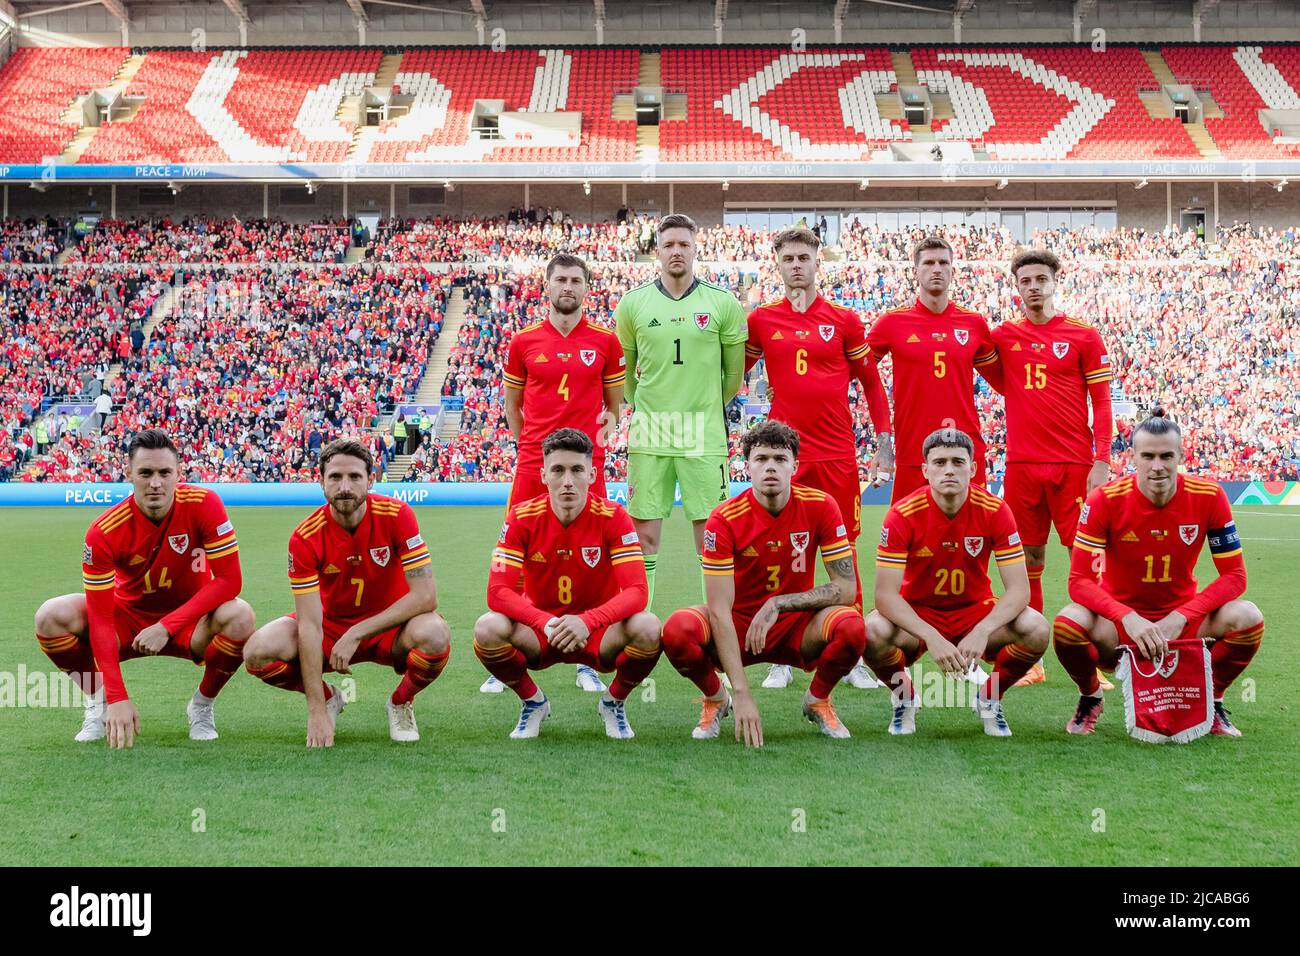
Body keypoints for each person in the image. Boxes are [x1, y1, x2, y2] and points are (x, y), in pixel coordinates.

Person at [34, 429, 254, 747]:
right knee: (49, 617)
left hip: (190, 622)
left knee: (241, 615)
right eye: (146, 473)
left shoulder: (205, 504)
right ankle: (99, 703)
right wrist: (116, 696)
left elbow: (230, 581)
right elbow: (100, 619)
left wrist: (167, 626)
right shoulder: (104, 531)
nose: (155, 483)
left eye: (165, 473)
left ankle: (202, 706)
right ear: (128, 474)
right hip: (129, 619)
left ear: (179, 473)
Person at [743, 225, 892, 691]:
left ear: (816, 262)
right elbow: (731, 374)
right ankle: (782, 652)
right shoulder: (761, 320)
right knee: (784, 547)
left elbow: (872, 384)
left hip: (836, 453)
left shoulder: (844, 320)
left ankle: (854, 648)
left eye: (803, 257)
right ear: (778, 264)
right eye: (788, 258)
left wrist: (884, 442)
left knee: (843, 548)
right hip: (784, 456)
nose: (796, 265)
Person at [1053, 411, 1264, 737]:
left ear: (1181, 456)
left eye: (1166, 456)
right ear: (1132, 457)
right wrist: (1127, 617)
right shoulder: (1104, 500)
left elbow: (1235, 576)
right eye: (1148, 456)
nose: (1157, 466)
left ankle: (1212, 701)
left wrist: (1181, 616)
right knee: (1067, 623)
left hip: (1184, 626)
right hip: (1120, 629)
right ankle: (1091, 696)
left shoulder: (1210, 496)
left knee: (1248, 617)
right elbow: (1079, 581)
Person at [660, 420, 866, 746]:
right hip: (741, 625)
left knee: (852, 626)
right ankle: (717, 698)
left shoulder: (822, 505)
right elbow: (719, 609)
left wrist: (779, 603)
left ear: (795, 466)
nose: (771, 467)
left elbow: (846, 588)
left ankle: (818, 699)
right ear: (747, 466)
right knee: (677, 630)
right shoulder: (724, 519)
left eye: (780, 459)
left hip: (797, 626)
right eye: (761, 459)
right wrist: (741, 692)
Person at [243, 437, 451, 746]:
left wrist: (357, 632)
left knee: (435, 633)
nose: (345, 486)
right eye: (335, 477)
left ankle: (401, 702)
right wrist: (315, 709)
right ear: (321, 482)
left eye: (354, 476)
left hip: (391, 627)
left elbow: (426, 597)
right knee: (257, 652)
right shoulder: (305, 537)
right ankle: (329, 698)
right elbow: (309, 623)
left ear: (371, 479)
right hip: (330, 628)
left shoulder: (397, 515)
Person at [483, 252, 625, 696]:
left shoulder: (605, 341)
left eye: (575, 280)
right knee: (516, 552)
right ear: (547, 286)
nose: (568, 287)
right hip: (534, 462)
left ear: (587, 288)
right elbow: (512, 406)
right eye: (560, 279)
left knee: (592, 551)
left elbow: (614, 405)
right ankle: (510, 648)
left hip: (585, 464)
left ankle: (587, 654)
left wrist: (594, 448)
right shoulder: (524, 341)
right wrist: (533, 450)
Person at [473, 428, 661, 739]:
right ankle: (533, 702)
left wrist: (588, 621)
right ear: (543, 475)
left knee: (649, 627)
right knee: (487, 627)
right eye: (558, 470)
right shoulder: (521, 516)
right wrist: (545, 623)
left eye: (577, 470)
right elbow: (497, 592)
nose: (568, 481)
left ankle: (613, 702)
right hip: (541, 633)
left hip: (598, 633)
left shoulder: (614, 516)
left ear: (592, 474)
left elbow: (637, 592)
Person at [864, 428, 1049, 737]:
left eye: (957, 462)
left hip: (975, 611)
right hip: (918, 611)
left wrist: (983, 630)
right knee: (870, 631)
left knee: (1037, 629)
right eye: (939, 462)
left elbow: (1019, 590)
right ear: (925, 470)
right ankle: (904, 698)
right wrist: (931, 636)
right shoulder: (902, 514)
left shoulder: (995, 510)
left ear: (973, 468)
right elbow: (885, 596)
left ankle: (990, 698)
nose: (949, 470)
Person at [989, 248, 1115, 687]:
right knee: (1028, 560)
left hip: (1073, 465)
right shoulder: (1003, 336)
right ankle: (1032, 659)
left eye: (1041, 279)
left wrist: (1102, 459)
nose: (1034, 287)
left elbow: (1102, 402)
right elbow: (1000, 381)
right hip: (1022, 466)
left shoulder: (1083, 336)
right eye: (1025, 280)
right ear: (1016, 286)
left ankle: (1094, 658)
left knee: (1084, 560)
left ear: (1054, 282)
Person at [614, 213, 748, 608]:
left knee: (711, 537)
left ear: (694, 250)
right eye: (669, 245)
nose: (676, 251)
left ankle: (717, 629)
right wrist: (648, 407)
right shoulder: (633, 303)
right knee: (643, 537)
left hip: (704, 435)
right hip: (650, 434)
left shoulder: (722, 303)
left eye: (683, 244)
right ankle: (639, 629)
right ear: (657, 251)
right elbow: (624, 376)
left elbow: (733, 377)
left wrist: (701, 407)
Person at [867, 236, 998, 502]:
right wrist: (883, 443)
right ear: (915, 271)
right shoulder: (892, 323)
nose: (936, 269)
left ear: (952, 270)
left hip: (966, 451)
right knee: (907, 529)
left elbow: (1008, 383)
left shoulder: (974, 323)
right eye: (928, 263)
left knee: (974, 528)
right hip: (913, 453)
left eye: (943, 263)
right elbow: (854, 372)